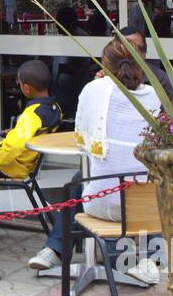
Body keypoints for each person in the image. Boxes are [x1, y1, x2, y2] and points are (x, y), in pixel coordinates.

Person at [28, 39, 161, 282]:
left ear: (104, 65)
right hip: (142, 206)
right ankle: (150, 258)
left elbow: (83, 140)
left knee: (81, 179)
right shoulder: (152, 95)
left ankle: (56, 250)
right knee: (138, 183)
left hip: (101, 202)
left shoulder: (94, 90)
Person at [0, 60, 61, 179]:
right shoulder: (56, 108)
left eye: (19, 83)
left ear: (26, 88)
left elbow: (14, 147)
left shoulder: (32, 115)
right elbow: (35, 133)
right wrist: (14, 132)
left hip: (12, 167)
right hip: (28, 163)